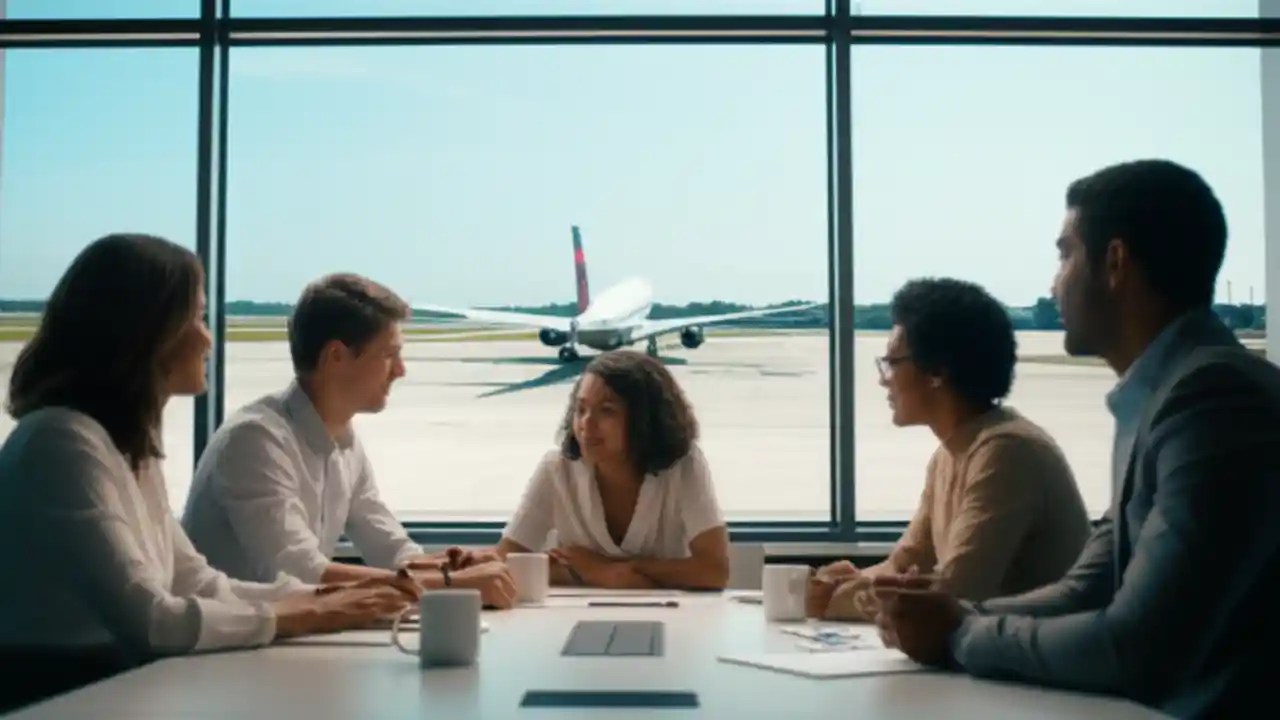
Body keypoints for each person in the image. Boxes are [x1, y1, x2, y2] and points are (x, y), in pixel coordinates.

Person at [873, 159, 1280, 719]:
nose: (1053, 281)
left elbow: (1137, 645)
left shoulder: (1211, 400)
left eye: (1065, 254)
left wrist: (962, 634)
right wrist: (961, 614)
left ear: (1114, 263)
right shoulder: (1163, 397)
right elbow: (1089, 587)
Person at [0, 235, 415, 712]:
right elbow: (153, 621)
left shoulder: (124, 449)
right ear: (142, 330)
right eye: (195, 318)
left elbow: (200, 582)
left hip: (112, 688)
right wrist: (311, 612)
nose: (207, 338)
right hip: (61, 695)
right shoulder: (61, 442)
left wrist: (327, 602)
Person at [182, 273, 514, 609]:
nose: (401, 370)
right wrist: (449, 584)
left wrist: (450, 565)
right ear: (336, 357)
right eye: (389, 354)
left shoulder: (344, 442)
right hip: (229, 654)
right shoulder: (255, 441)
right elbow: (302, 574)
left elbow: (391, 550)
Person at [807, 278, 1090, 621]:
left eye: (892, 363)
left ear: (937, 371)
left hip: (1029, 668)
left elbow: (954, 591)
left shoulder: (1007, 452)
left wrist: (836, 600)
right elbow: (905, 563)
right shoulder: (950, 454)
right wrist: (841, 584)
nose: (884, 379)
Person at [495, 350, 729, 590]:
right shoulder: (556, 469)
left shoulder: (684, 466)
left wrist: (606, 568)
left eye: (607, 410)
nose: (587, 423)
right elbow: (503, 562)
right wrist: (599, 575)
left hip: (670, 615)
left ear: (644, 420)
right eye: (581, 409)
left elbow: (714, 571)